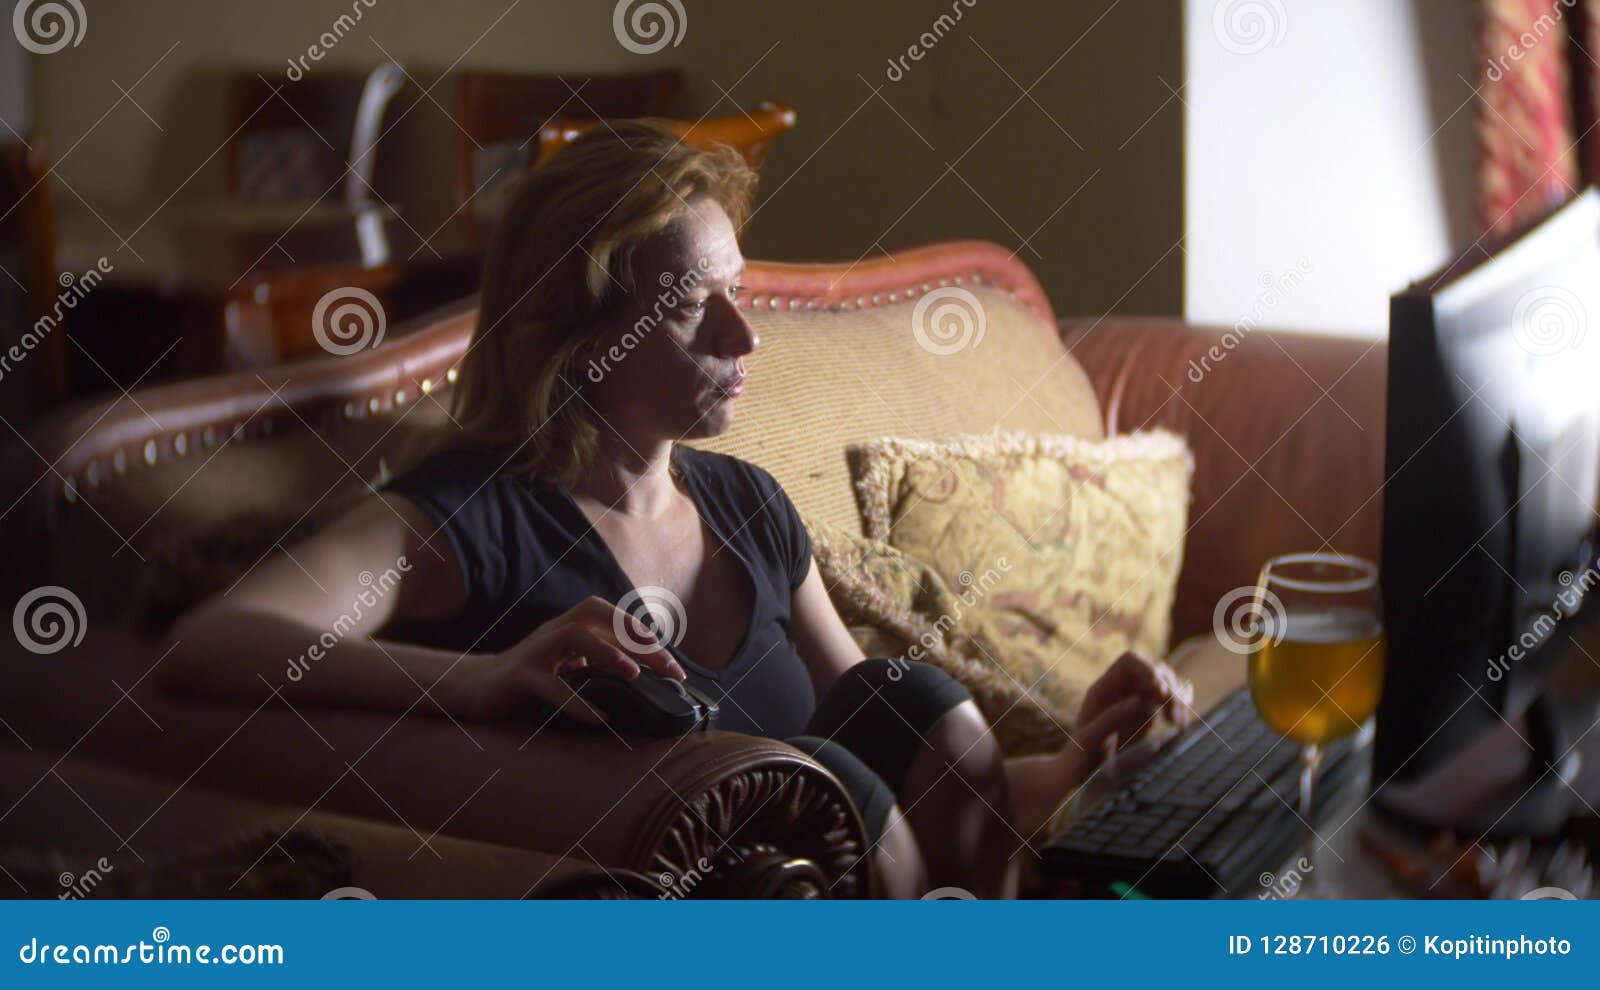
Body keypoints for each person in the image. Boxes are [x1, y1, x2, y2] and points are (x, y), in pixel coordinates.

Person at [160, 120, 1194, 898]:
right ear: (579, 333)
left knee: (908, 695)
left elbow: (904, 768)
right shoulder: (471, 519)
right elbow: (216, 641)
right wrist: (482, 682)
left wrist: (1075, 765)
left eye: (738, 295)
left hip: (888, 890)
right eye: (699, 308)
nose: (746, 338)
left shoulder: (749, 506)